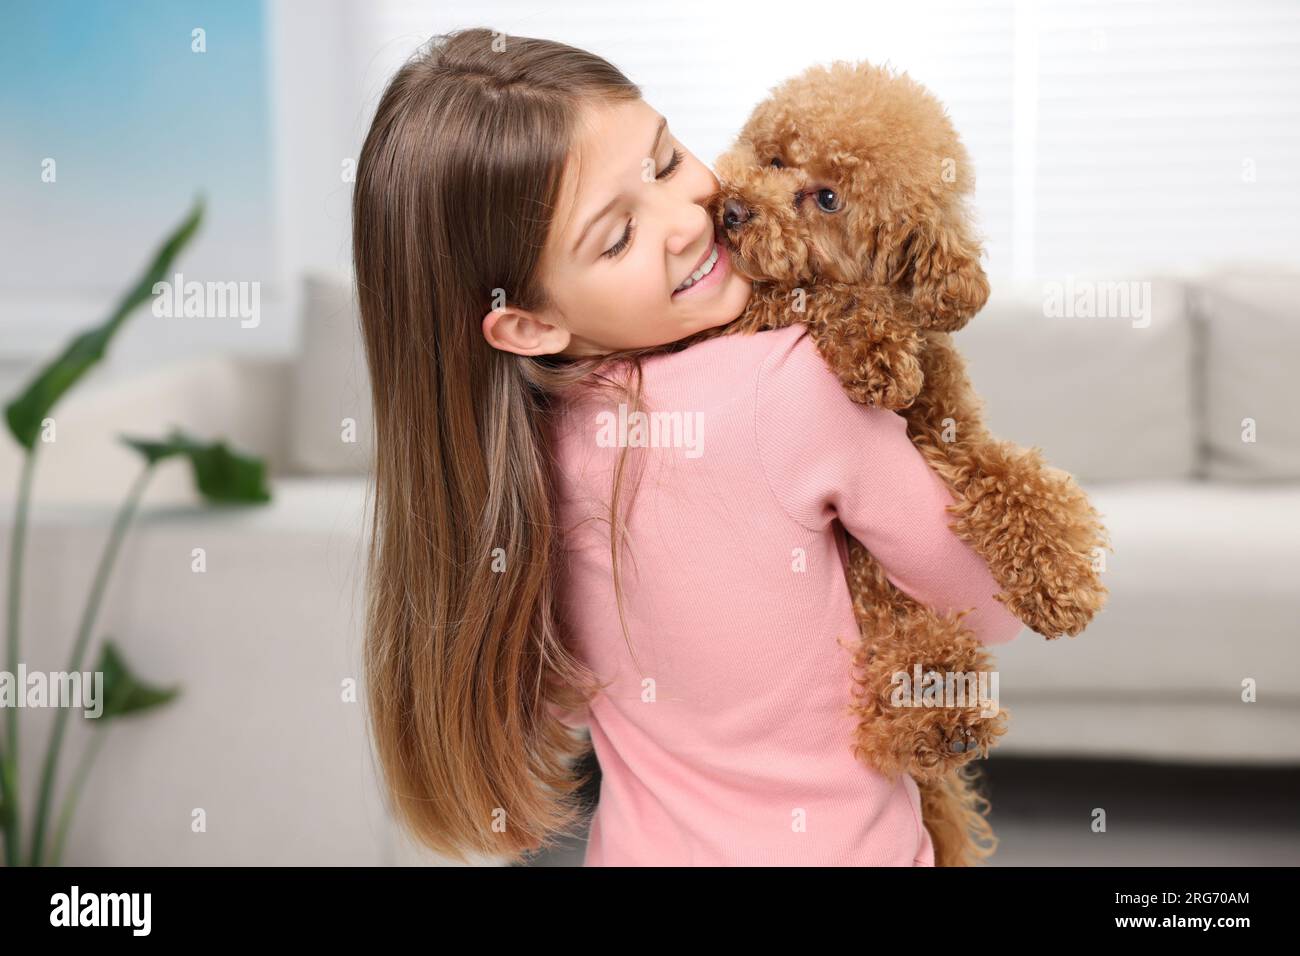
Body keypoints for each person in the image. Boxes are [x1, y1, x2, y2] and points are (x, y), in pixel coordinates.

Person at [351, 26, 1022, 867]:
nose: (688, 221)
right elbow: (987, 601)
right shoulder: (794, 384)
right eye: (617, 237)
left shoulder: (519, 460)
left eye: (665, 162)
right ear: (527, 322)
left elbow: (568, 698)